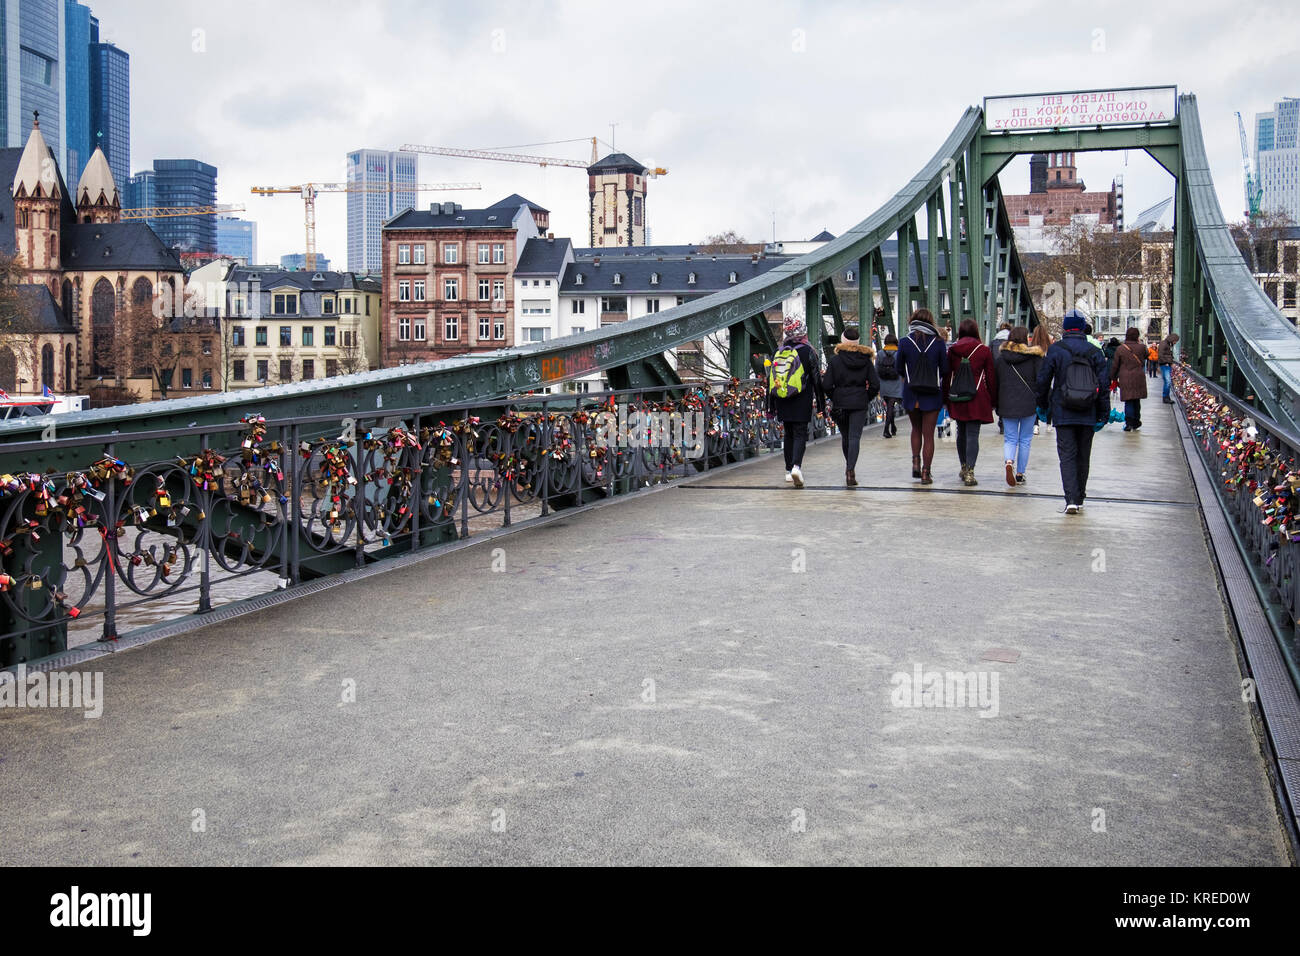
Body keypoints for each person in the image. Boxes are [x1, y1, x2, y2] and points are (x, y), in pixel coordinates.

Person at [1036, 309, 1110, 514]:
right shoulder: (1094, 351)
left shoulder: (1056, 349)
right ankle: (1080, 496)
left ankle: (1070, 499)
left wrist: (1042, 406)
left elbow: (1043, 380)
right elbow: (1104, 385)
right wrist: (1103, 413)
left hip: (1063, 410)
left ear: (1065, 328)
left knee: (1067, 455)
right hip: (1088, 411)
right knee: (1083, 455)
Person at [767, 318, 826, 488]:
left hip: (783, 399)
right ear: (803, 333)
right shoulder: (808, 351)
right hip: (802, 399)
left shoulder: (778, 352)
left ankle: (787, 471)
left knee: (789, 433)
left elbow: (771, 381)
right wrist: (822, 405)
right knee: (800, 433)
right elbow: (816, 379)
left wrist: (770, 405)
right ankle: (796, 466)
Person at [895, 307, 949, 485]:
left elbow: (898, 368)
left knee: (915, 430)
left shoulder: (904, 342)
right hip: (932, 394)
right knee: (929, 435)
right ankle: (926, 473)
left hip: (912, 393)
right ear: (931, 322)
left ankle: (915, 462)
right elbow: (945, 369)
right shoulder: (939, 343)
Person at [821, 325, 879, 486]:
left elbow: (826, 385)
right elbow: (875, 384)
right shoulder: (866, 360)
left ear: (843, 340)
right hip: (859, 402)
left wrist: (835, 397)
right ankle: (850, 470)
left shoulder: (835, 361)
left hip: (841, 403)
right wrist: (865, 397)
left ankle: (849, 467)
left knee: (846, 437)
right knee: (855, 437)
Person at [946, 318, 998, 486]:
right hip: (977, 395)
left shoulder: (952, 350)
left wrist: (945, 397)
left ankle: (963, 466)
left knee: (961, 432)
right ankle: (970, 471)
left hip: (957, 395)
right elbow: (990, 376)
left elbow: (947, 376)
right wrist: (993, 398)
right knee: (973, 435)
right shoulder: (983, 350)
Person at [994, 325, 1043, 486]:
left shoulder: (1001, 359)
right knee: (1025, 439)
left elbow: (996, 382)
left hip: (1007, 403)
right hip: (1028, 403)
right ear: (1025, 339)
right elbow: (1040, 381)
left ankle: (1009, 462)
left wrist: (996, 402)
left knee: (1010, 438)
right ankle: (1021, 473)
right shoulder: (1034, 358)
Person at [1110, 327, 1149, 431]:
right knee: (1136, 400)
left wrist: (1113, 377)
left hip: (1125, 377)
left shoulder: (1121, 348)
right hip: (1138, 377)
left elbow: (1115, 365)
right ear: (1137, 336)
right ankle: (1136, 420)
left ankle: (1129, 422)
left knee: (1129, 400)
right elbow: (1147, 356)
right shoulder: (1142, 347)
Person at [876, 333, 903, 440]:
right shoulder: (899, 353)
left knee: (889, 406)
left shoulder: (880, 353)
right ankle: (886, 429)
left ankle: (892, 427)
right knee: (890, 406)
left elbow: (876, 369)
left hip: (883, 383)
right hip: (896, 383)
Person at [1158, 332, 1180, 403]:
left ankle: (1166, 397)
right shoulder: (1164, 344)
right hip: (1165, 365)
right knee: (1168, 381)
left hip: (1166, 364)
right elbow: (1161, 355)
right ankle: (1166, 397)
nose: (1175, 342)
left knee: (1167, 381)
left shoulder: (1166, 344)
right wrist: (1167, 362)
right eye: (1175, 341)